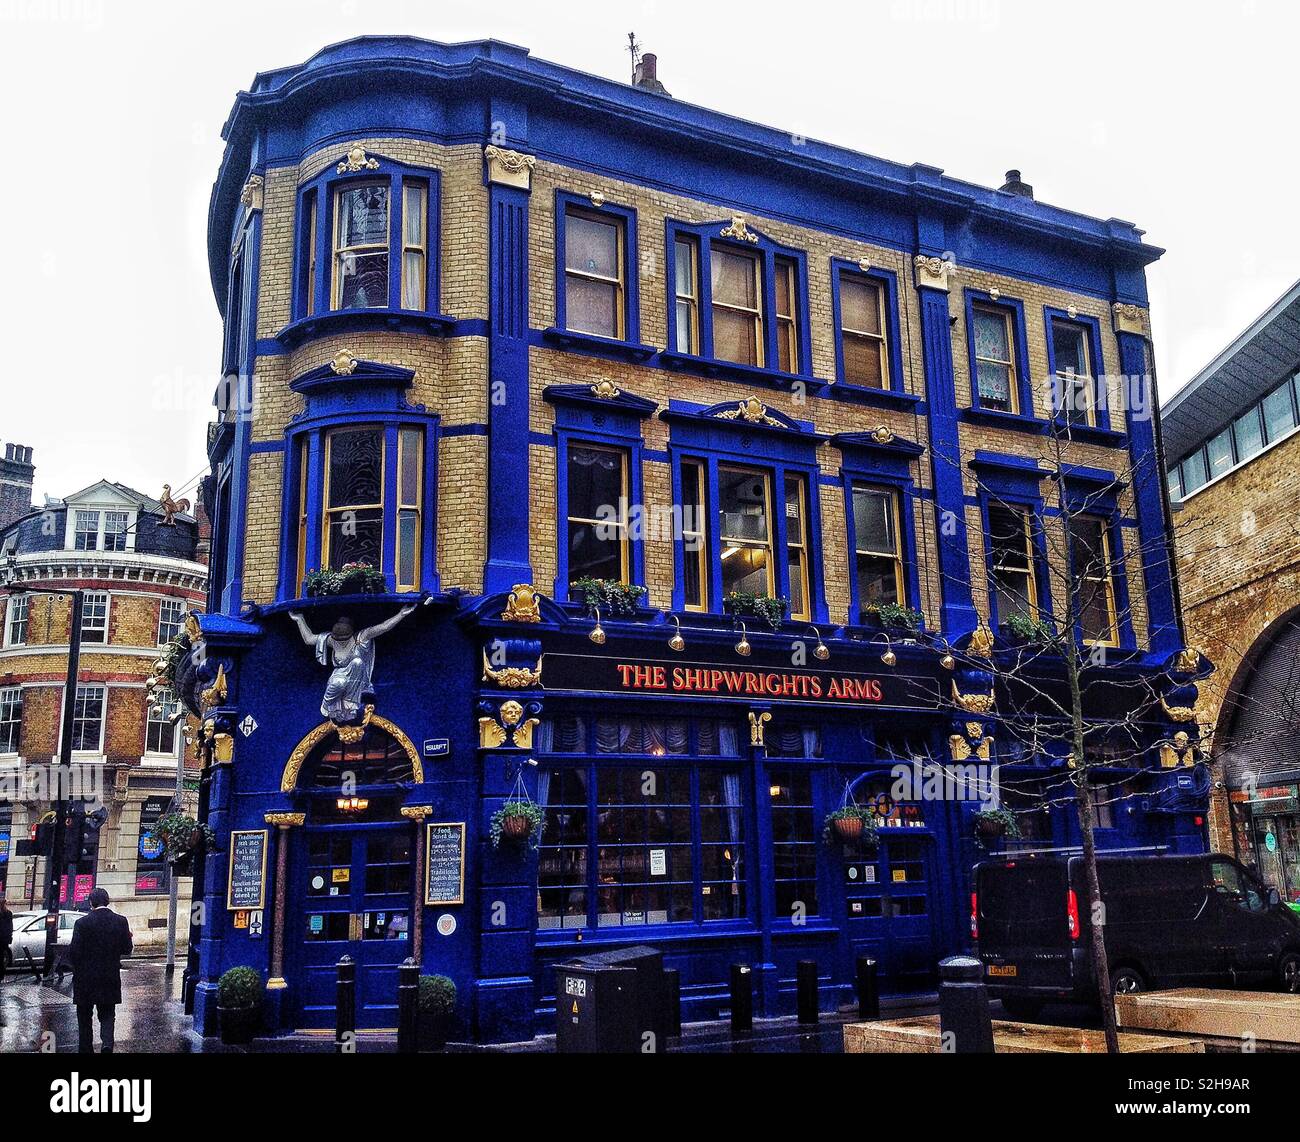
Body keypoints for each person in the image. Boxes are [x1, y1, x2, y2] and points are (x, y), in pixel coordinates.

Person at [69, 887, 132, 1054]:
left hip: (85, 978)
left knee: (84, 1017)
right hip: (109, 976)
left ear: (91, 903)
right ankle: (107, 1045)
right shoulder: (121, 921)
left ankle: (86, 1048)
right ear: (108, 901)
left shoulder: (82, 923)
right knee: (107, 1014)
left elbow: (74, 952)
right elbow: (127, 948)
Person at [0, 900, 12, 984]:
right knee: (1, 959)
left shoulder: (7, 913)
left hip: (2, 939)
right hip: (4, 940)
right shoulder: (8, 913)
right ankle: (1, 976)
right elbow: (9, 927)